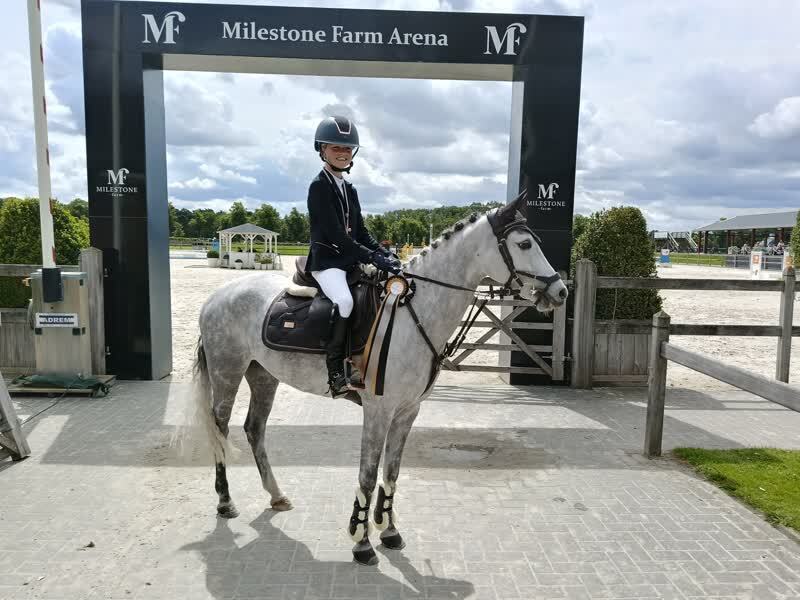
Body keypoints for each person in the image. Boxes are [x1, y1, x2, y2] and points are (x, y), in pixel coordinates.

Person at [305, 115, 401, 397]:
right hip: (327, 263)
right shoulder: (318, 187)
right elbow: (339, 238)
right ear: (322, 149)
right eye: (336, 148)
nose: (343, 153)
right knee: (345, 301)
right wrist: (372, 257)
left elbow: (360, 232)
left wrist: (384, 254)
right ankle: (335, 371)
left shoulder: (350, 188)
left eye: (347, 149)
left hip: (348, 261)